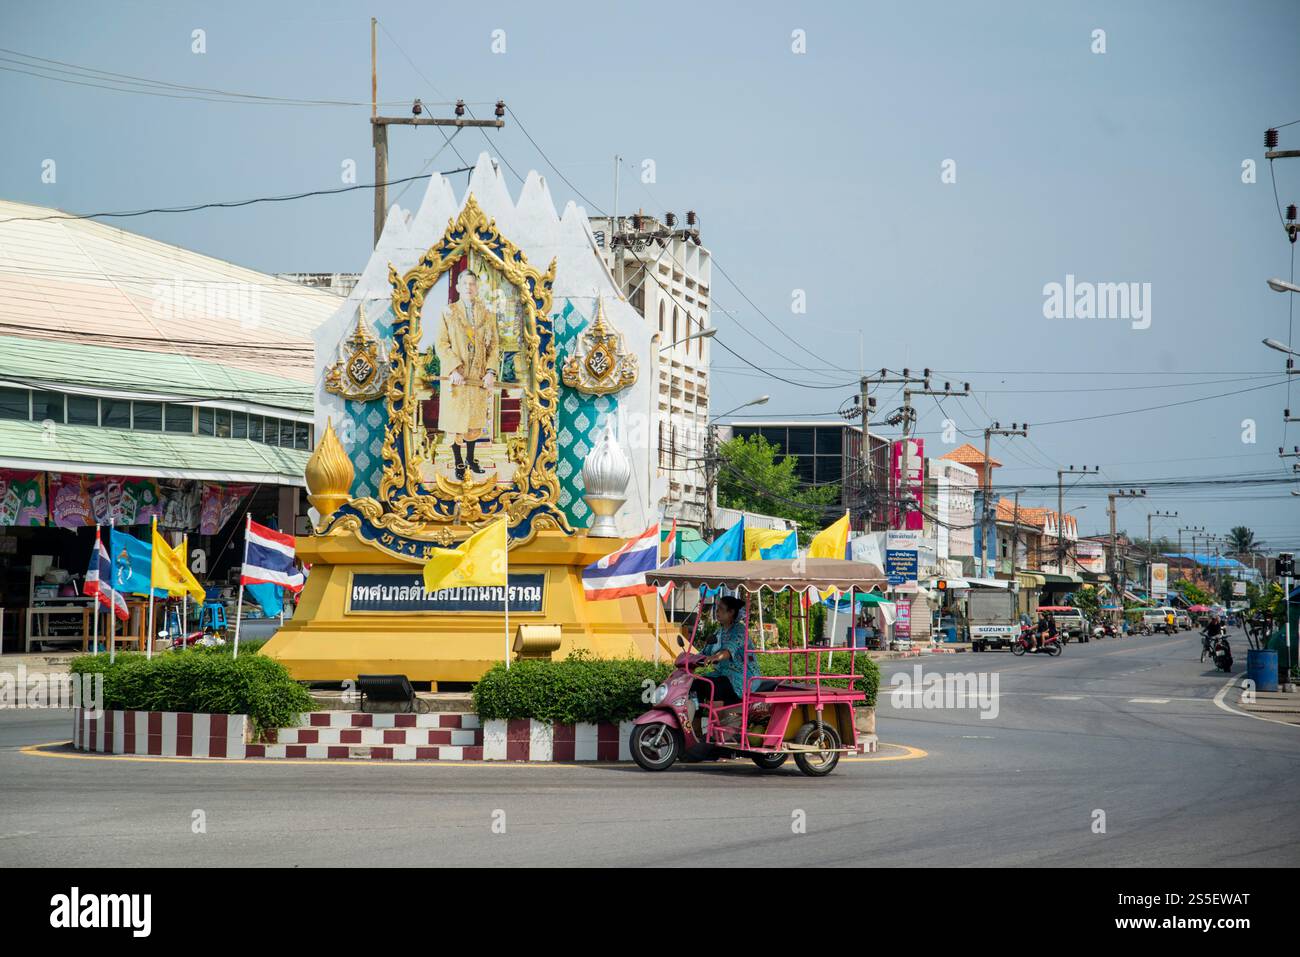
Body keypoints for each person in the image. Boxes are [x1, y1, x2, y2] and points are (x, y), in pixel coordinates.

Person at [436, 270, 500, 480]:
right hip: (457, 379)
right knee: (456, 424)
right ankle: (458, 462)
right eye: (465, 284)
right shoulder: (448, 312)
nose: (469, 288)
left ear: (477, 287)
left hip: (477, 378)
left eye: (472, 284)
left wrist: (490, 372)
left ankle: (471, 459)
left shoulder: (487, 314)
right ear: (458, 288)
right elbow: (442, 344)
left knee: (474, 423)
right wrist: (453, 368)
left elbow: (494, 345)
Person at [698, 596, 760, 707]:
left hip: (742, 678)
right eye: (717, 608)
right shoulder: (718, 632)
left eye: (721, 608)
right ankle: (695, 724)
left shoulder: (740, 630)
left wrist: (715, 657)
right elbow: (705, 652)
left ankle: (716, 721)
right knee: (696, 684)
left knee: (713, 686)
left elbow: (729, 650)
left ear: (731, 612)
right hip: (723, 674)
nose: (717, 611)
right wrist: (689, 658)